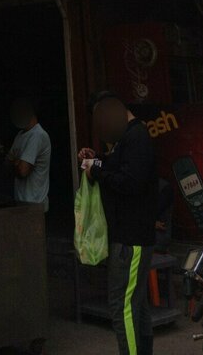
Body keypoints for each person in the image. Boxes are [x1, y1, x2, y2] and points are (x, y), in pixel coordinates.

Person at [79, 91, 157, 355]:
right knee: (137, 304)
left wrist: (97, 172)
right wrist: (94, 160)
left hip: (131, 238)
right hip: (131, 237)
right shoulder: (128, 138)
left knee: (122, 306)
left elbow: (129, 182)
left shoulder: (137, 137)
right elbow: (118, 167)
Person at [5, 97, 52, 210]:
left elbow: (23, 170)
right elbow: (6, 164)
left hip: (35, 205)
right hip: (21, 203)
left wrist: (16, 162)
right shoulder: (20, 135)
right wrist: (16, 163)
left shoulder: (38, 135)